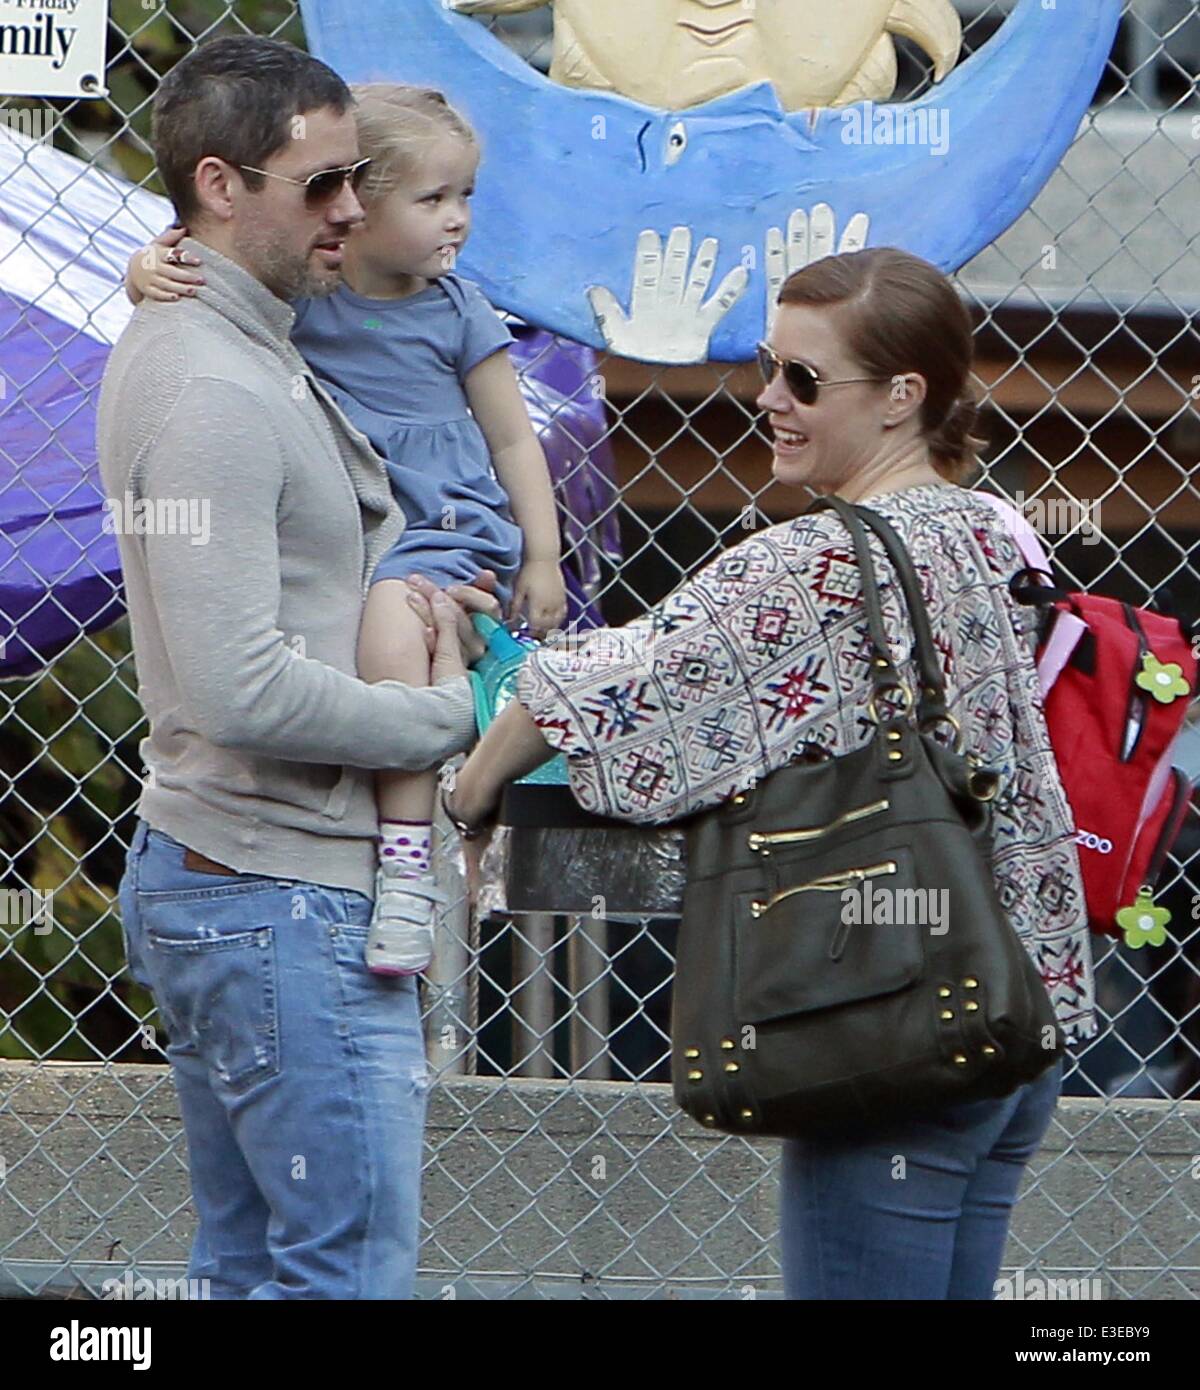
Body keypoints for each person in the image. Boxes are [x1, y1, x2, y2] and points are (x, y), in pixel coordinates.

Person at [429, 246, 1099, 1299]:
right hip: (1017, 1009)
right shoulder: (986, 531)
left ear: (902, 397)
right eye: (765, 365)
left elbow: (601, 691)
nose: (768, 400)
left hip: (894, 1018)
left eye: (803, 379)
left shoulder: (813, 561)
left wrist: (466, 793)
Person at [98, 35, 503, 1299]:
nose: (352, 208)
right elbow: (237, 688)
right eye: (323, 184)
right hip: (274, 890)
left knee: (263, 1265)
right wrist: (446, 717)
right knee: (344, 1278)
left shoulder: (251, 344)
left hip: (248, 887)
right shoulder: (215, 386)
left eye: (361, 179)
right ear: (221, 186)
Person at [125, 82, 566, 977]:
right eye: (433, 197)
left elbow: (515, 437)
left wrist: (545, 555)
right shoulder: (311, 301)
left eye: (466, 197)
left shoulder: (457, 313)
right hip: (366, 516)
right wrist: (143, 267)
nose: (458, 221)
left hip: (441, 523)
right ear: (355, 210)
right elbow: (204, 265)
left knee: (394, 632)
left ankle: (409, 862)